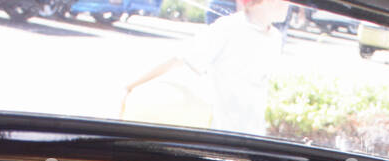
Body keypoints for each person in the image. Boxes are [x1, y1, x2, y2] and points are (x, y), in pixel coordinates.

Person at [122, 0, 290, 137]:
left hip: (254, 137)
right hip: (223, 134)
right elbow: (178, 58)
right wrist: (132, 85)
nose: (288, 5)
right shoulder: (228, 28)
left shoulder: (274, 38)